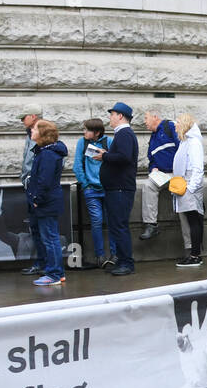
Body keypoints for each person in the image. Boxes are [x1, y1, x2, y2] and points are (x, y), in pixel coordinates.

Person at [97, 102, 138, 276]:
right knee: (117, 226)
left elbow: (124, 157)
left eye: (112, 114)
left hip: (120, 188)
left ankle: (126, 263)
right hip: (116, 188)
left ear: (120, 116)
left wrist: (104, 155)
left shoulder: (124, 134)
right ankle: (123, 260)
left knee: (120, 226)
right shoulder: (122, 134)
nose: (110, 118)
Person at [27, 119, 68, 287]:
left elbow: (45, 181)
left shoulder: (48, 155)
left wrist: (37, 199)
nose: (31, 131)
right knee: (49, 238)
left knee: (50, 239)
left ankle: (54, 273)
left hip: (47, 202)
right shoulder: (45, 152)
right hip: (47, 201)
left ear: (42, 133)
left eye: (35, 128)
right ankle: (56, 272)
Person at [73, 118, 115, 268]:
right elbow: (77, 165)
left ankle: (114, 255)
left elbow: (115, 162)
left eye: (87, 130)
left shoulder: (108, 142)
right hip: (91, 190)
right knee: (96, 221)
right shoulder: (82, 143)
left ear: (96, 132)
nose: (84, 132)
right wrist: (86, 184)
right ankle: (100, 256)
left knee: (112, 221)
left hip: (108, 188)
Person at [172, 113, 205, 268]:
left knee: (194, 220)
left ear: (184, 124)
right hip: (186, 183)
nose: (175, 125)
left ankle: (195, 256)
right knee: (192, 220)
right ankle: (194, 254)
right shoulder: (186, 141)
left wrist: (190, 188)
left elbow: (198, 168)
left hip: (190, 184)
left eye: (178, 122)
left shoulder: (193, 143)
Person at [140, 111, 178, 241]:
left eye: (146, 118)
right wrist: (153, 168)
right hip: (162, 174)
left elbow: (182, 148)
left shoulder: (170, 126)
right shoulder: (152, 138)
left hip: (178, 173)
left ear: (155, 117)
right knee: (148, 185)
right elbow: (151, 159)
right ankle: (151, 225)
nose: (144, 122)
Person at [18, 106, 44, 276]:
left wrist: (31, 184)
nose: (22, 121)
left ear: (33, 117)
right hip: (31, 187)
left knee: (43, 230)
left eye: (24, 117)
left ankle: (48, 266)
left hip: (37, 189)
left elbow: (40, 165)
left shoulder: (42, 136)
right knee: (35, 228)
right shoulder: (30, 135)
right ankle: (42, 263)